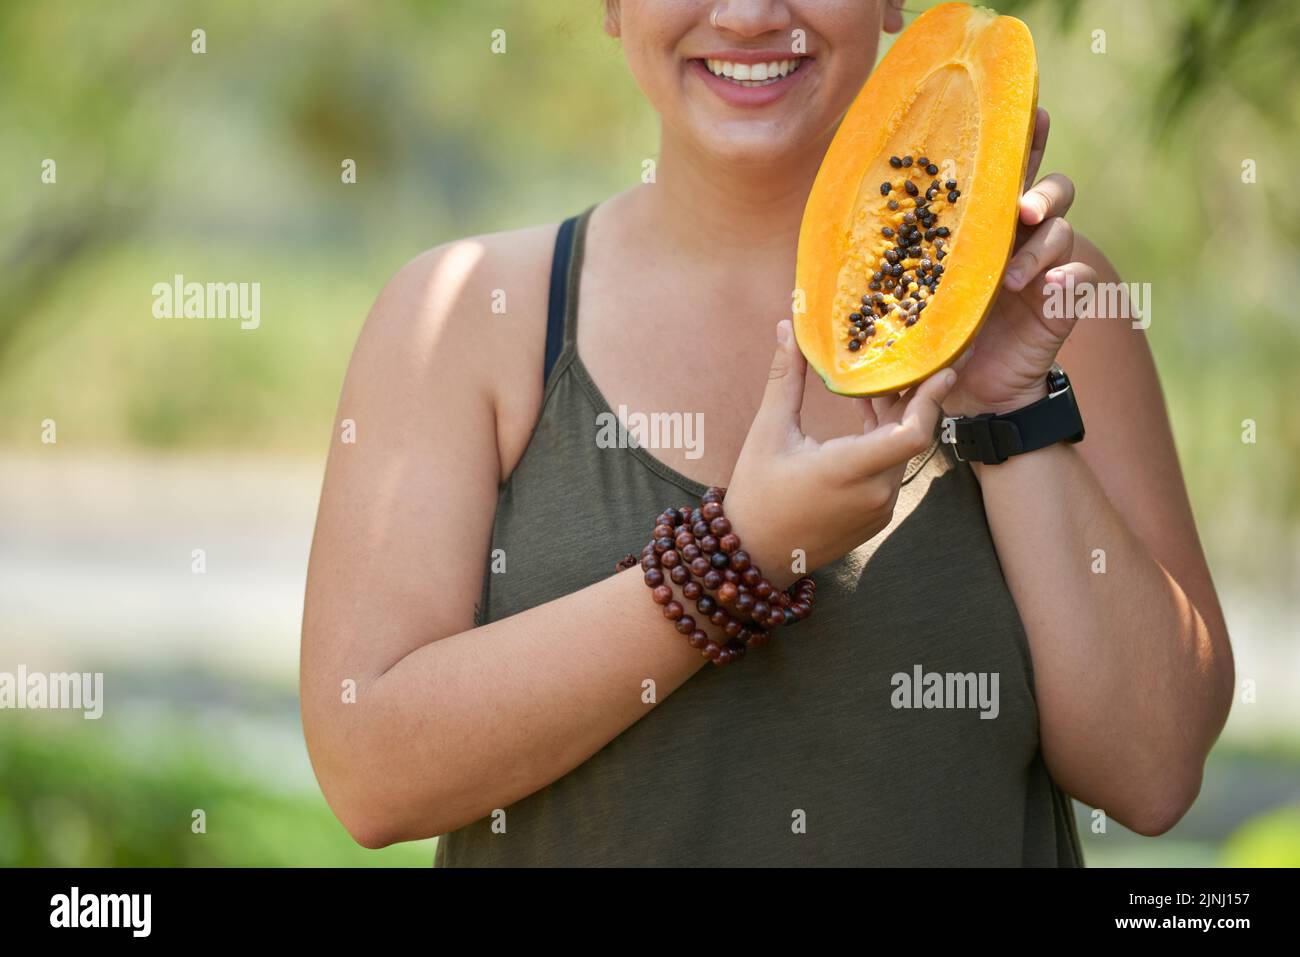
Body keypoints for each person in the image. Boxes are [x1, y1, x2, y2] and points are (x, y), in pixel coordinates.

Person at [301, 0, 1234, 866]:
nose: (748, 15)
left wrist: (1008, 407)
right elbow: (370, 776)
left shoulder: (1054, 302)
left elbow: (1150, 777)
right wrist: (736, 556)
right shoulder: (467, 316)